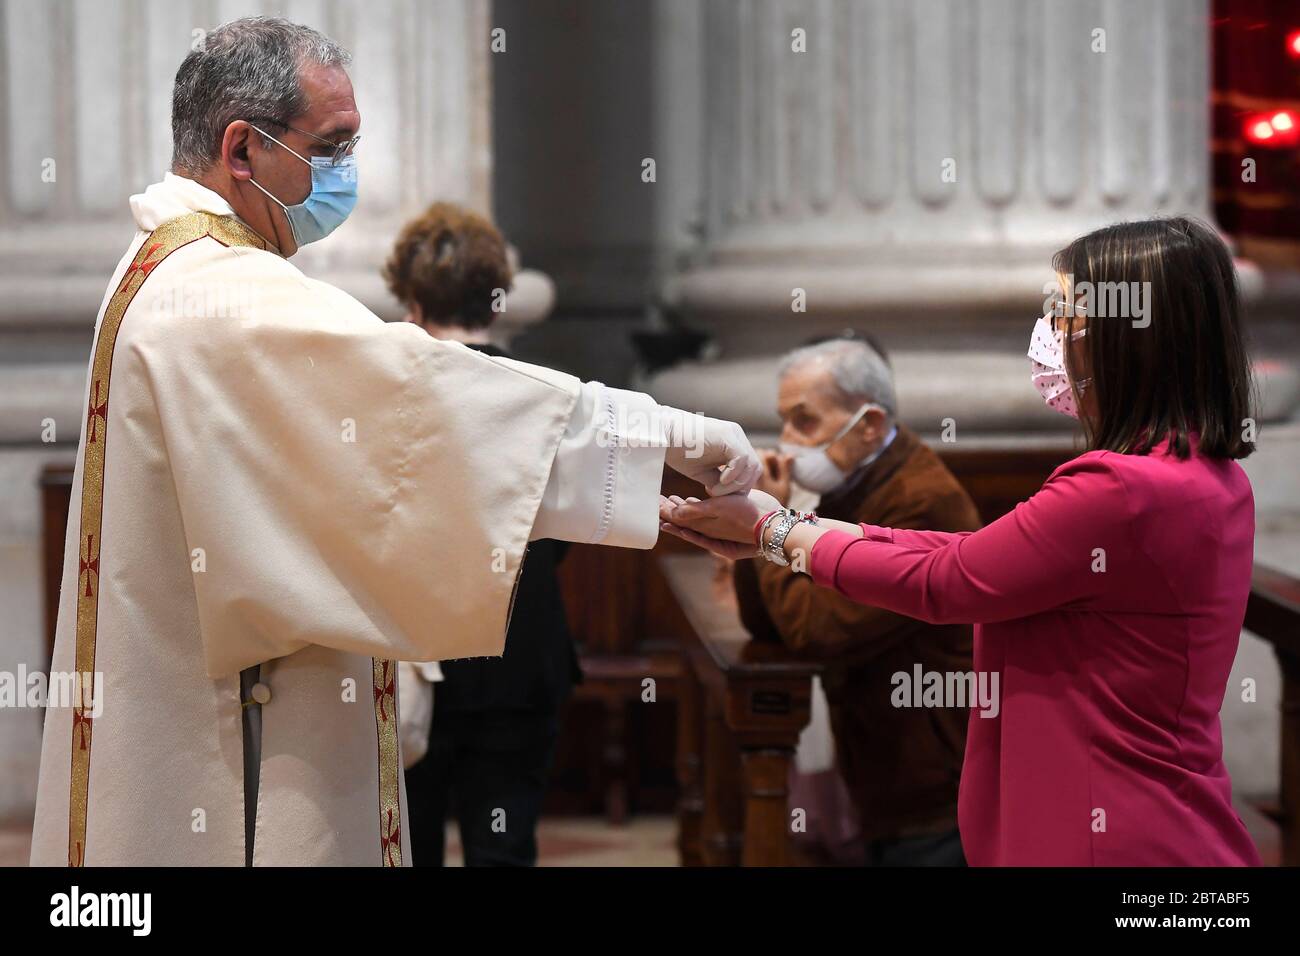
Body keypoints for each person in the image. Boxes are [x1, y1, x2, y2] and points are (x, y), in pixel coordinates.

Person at [30, 17, 759, 867]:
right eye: (332, 145)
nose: (346, 173)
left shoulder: (166, 268)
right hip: (238, 737)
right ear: (241, 148)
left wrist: (637, 474)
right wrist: (659, 434)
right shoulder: (213, 294)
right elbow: (420, 399)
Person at [661, 217, 1262, 866]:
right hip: (1163, 816)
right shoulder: (1208, 476)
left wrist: (773, 531)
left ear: (1130, 337)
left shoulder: (1118, 490)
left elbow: (949, 582)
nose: (1050, 337)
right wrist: (784, 532)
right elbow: (953, 554)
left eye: (1065, 314)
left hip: (1108, 830)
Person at [733, 337, 981, 866]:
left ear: (868, 424)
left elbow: (816, 631)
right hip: (885, 770)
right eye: (783, 421)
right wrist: (764, 531)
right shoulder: (858, 481)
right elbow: (767, 625)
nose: (786, 442)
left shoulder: (917, 500)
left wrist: (771, 525)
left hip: (934, 783)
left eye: (805, 422)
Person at [383, 202, 580, 866]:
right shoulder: (550, 395)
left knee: (411, 849)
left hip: (418, 656)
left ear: (411, 301)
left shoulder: (383, 393)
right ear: (496, 302)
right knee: (504, 849)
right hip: (518, 659)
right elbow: (566, 530)